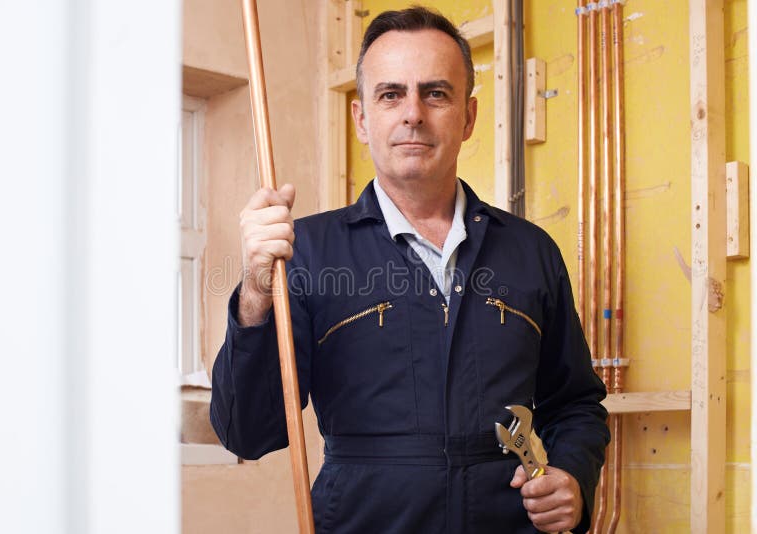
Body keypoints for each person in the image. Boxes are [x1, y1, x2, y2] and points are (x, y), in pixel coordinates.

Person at [210, 6, 609, 533]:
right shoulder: (305, 253)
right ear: (361, 119)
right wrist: (257, 294)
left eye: (436, 93)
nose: (413, 113)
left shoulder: (531, 252)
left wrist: (573, 477)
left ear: (467, 117)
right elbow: (246, 430)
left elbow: (577, 404)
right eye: (391, 93)